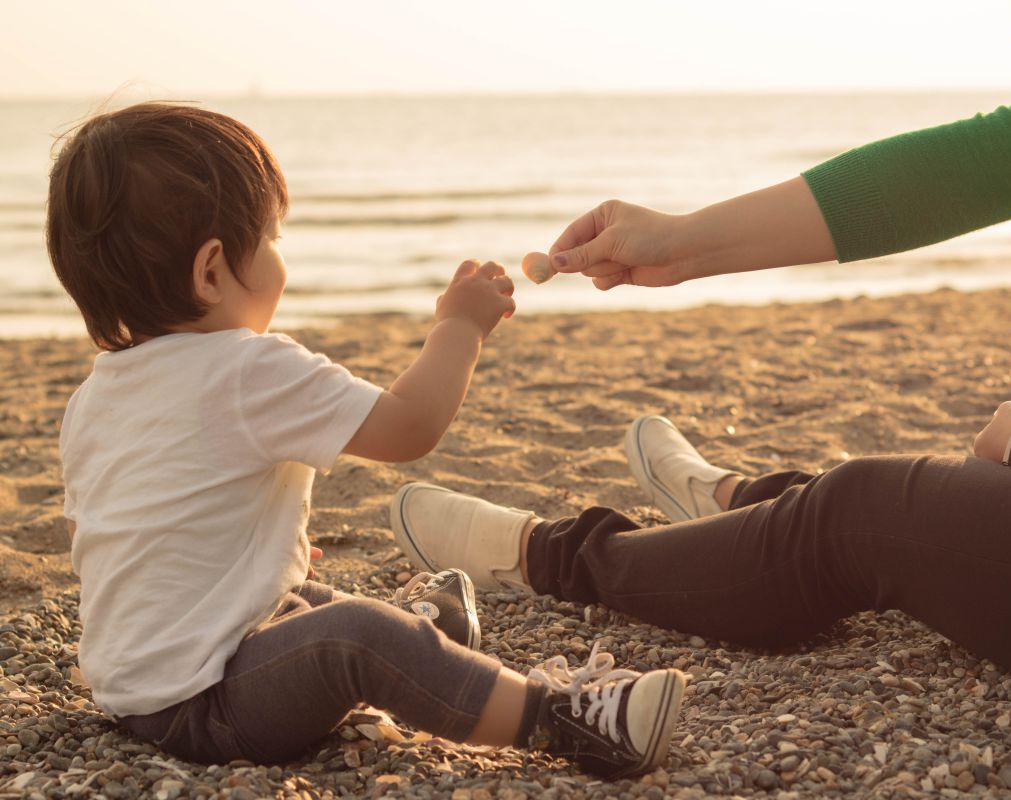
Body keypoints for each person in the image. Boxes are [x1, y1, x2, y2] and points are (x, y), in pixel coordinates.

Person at [389, 0, 1011, 694]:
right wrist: (681, 243)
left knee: (862, 511)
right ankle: (743, 505)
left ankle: (545, 558)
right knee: (897, 504)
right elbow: (958, 173)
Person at [46, 102, 685, 776]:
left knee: (316, 603)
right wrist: (459, 330)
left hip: (133, 691)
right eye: (271, 238)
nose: (278, 256)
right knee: (357, 637)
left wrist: (246, 553)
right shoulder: (244, 367)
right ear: (211, 272)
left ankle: (427, 641)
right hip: (211, 703)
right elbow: (409, 426)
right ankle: (562, 719)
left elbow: (119, 532)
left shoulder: (94, 396)